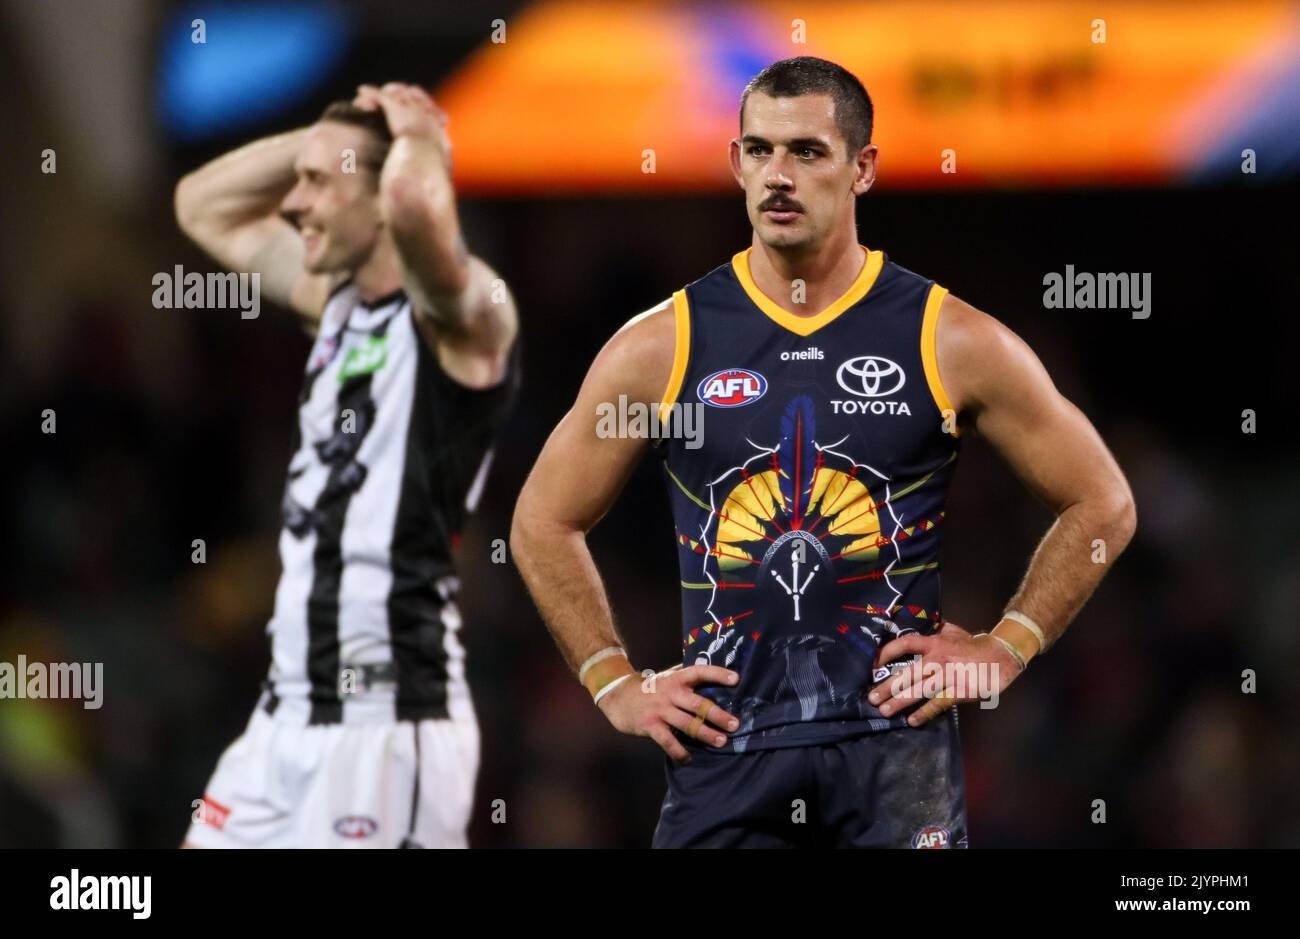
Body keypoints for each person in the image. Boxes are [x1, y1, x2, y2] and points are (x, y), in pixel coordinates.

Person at [510, 57, 1135, 848]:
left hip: (894, 763)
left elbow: (1104, 501)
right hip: (722, 758)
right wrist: (612, 680)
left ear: (862, 168)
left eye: (807, 151)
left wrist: (1006, 645)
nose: (778, 175)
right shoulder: (663, 345)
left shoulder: (949, 339)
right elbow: (540, 521)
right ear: (735, 162)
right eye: (760, 150)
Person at [175, 82, 519, 847]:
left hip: (389, 722)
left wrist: (418, 137)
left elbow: (426, 218)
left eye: (318, 184)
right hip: (284, 714)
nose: (293, 204)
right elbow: (202, 204)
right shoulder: (333, 302)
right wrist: (327, 139)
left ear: (386, 203)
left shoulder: (471, 323)